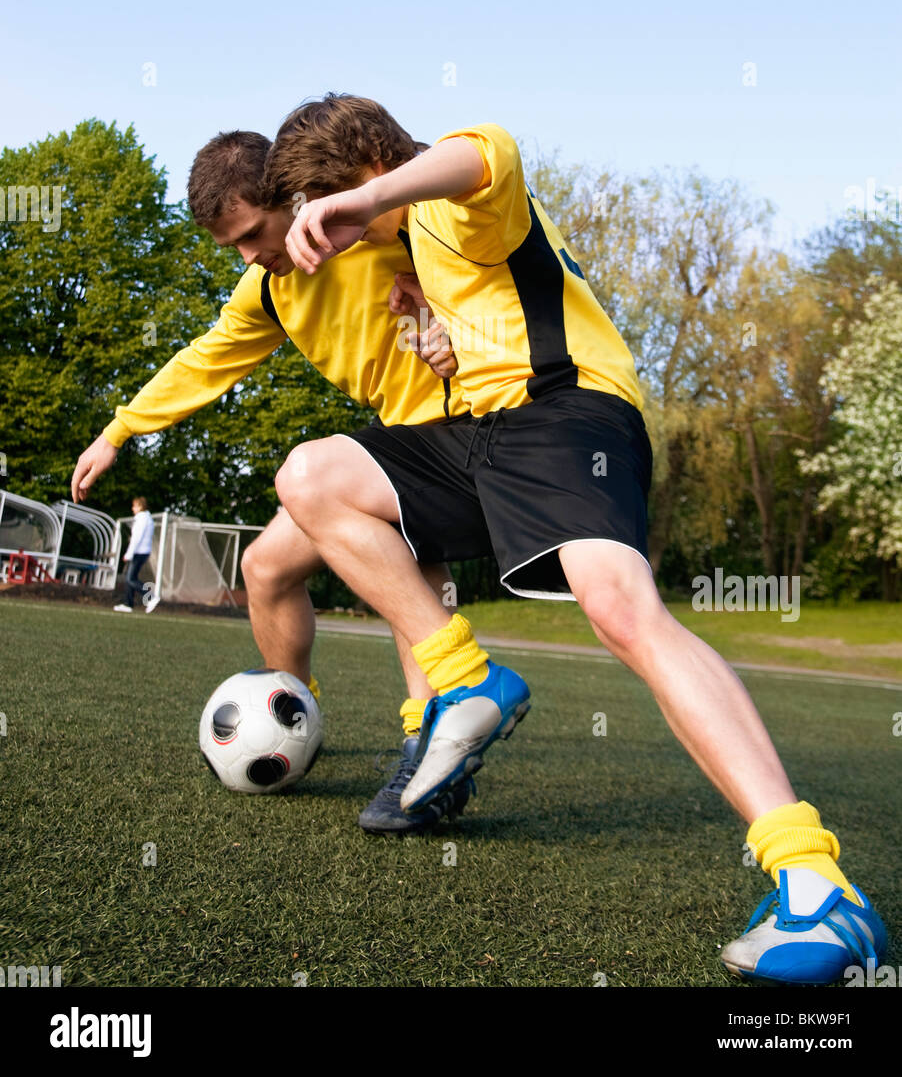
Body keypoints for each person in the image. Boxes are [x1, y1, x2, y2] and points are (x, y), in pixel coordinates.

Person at [262, 94, 887, 986]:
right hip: (489, 438)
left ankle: (815, 883)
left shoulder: (451, 194)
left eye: (345, 212)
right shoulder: (425, 250)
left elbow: (483, 150)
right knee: (312, 478)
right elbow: (477, 323)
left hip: (570, 415)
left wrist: (369, 206)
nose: (352, 242)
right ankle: (465, 676)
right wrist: (437, 333)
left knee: (625, 613)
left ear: (364, 176)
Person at [70, 129, 482, 835]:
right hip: (396, 441)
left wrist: (446, 327)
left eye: (253, 233)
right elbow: (205, 359)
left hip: (469, 436)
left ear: (300, 197)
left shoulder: (383, 228)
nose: (248, 256)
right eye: (231, 246)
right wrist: (119, 430)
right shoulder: (269, 288)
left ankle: (431, 749)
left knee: (407, 548)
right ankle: (294, 713)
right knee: (264, 569)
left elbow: (473, 240)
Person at [114, 496, 159, 613]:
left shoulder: (142, 519)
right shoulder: (147, 519)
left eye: (134, 506)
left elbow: (136, 538)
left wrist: (129, 554)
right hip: (142, 552)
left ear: (140, 506)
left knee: (130, 579)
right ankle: (128, 604)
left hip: (139, 552)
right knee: (130, 578)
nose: (132, 508)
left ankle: (151, 597)